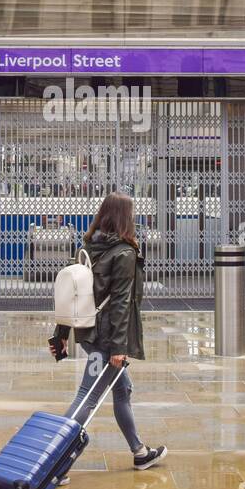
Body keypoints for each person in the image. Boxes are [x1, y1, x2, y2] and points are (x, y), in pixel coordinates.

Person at [49, 191, 167, 471]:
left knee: (122, 389)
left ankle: (139, 452)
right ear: (125, 218)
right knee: (85, 400)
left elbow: (73, 296)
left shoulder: (89, 248)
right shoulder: (125, 253)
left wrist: (61, 333)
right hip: (107, 342)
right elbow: (120, 304)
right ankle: (54, 462)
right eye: (133, 214)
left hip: (91, 335)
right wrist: (118, 349)